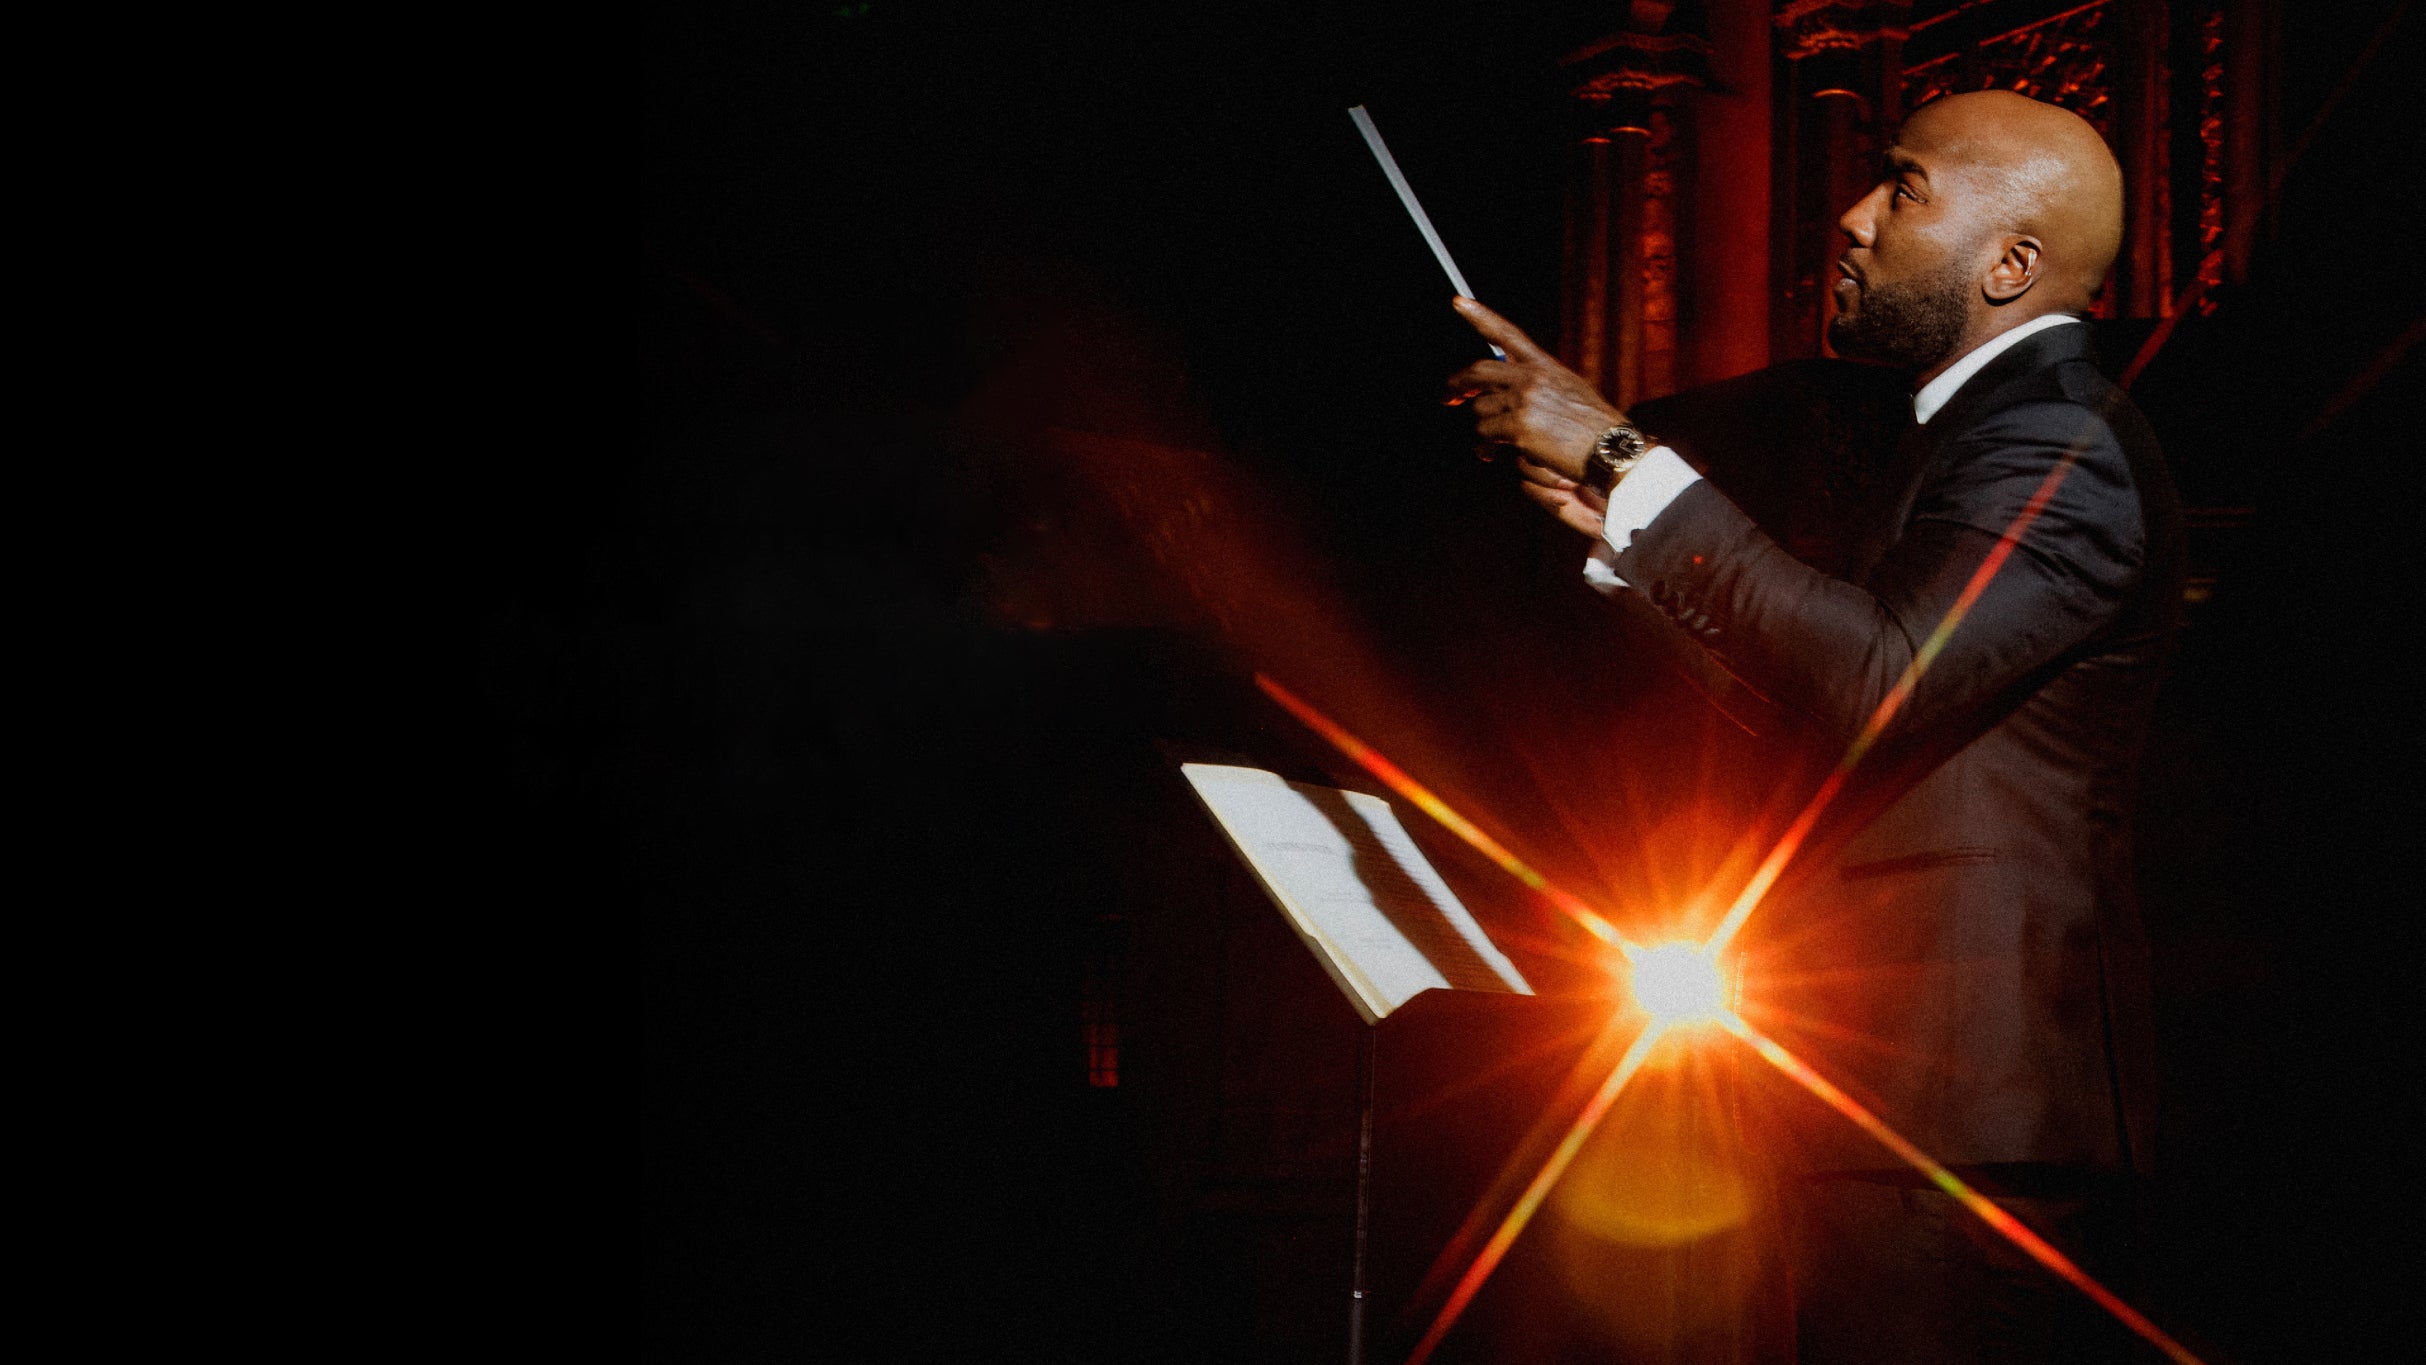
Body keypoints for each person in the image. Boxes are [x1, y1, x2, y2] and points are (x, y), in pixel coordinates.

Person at [1448, 91, 2183, 1362]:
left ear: (2009, 264)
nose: (1848, 217)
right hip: (1901, 1100)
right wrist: (1622, 543)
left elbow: (1877, 676)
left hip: (1963, 1110)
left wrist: (1622, 456)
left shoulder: (2059, 442)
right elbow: (1830, 715)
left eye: (1901, 187)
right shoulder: (1975, 436)